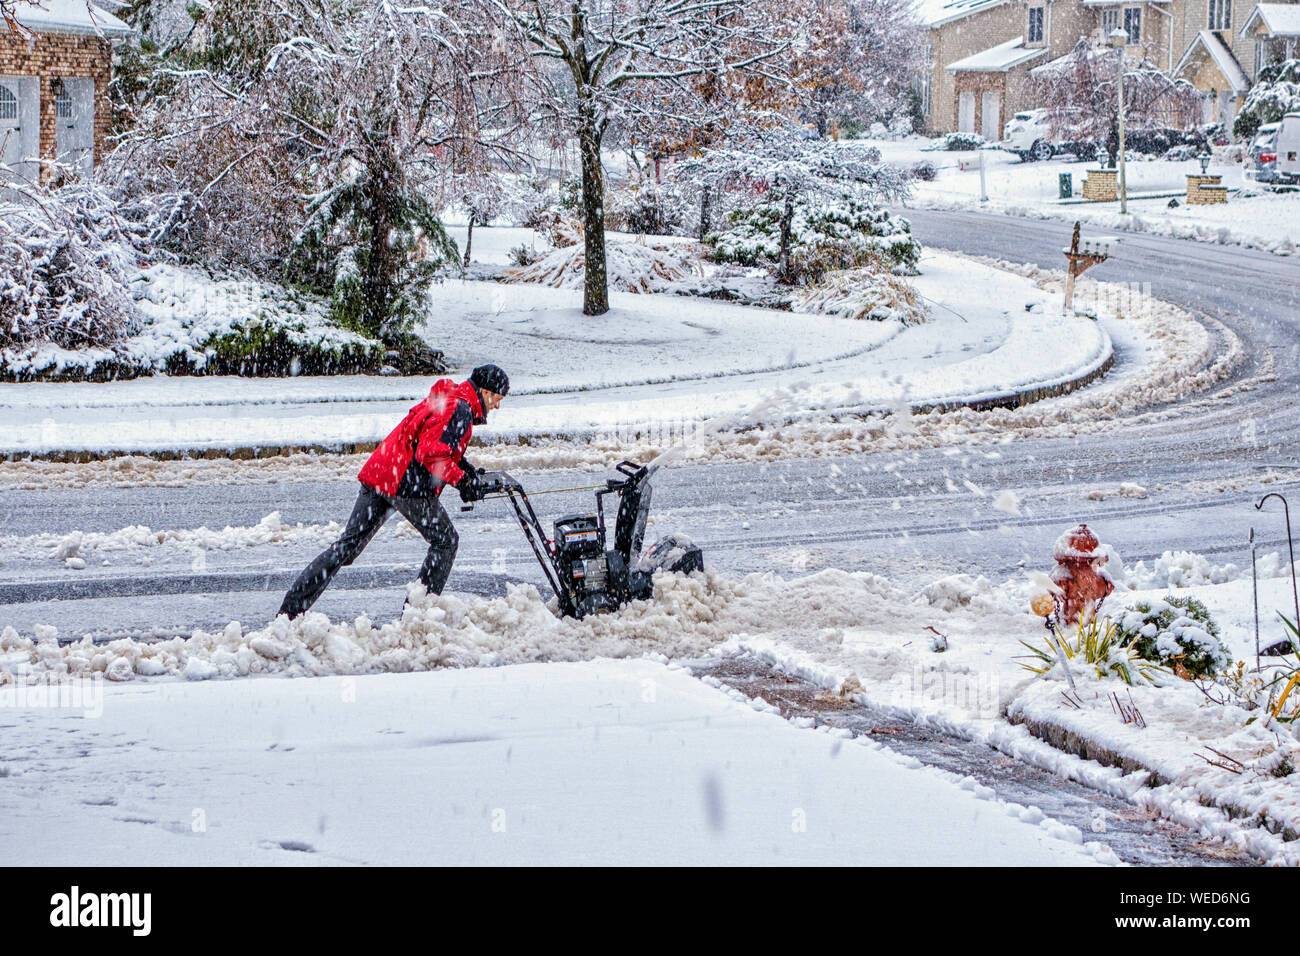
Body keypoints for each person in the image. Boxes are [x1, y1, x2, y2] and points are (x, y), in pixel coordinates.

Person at [278, 364, 510, 619]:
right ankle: (417, 617)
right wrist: (464, 482)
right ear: (486, 392)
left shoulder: (452, 397)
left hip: (382, 473)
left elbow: (439, 444)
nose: (497, 407)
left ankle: (289, 612)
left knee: (346, 548)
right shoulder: (460, 409)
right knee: (445, 541)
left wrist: (467, 472)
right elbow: (431, 454)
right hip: (407, 485)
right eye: (497, 399)